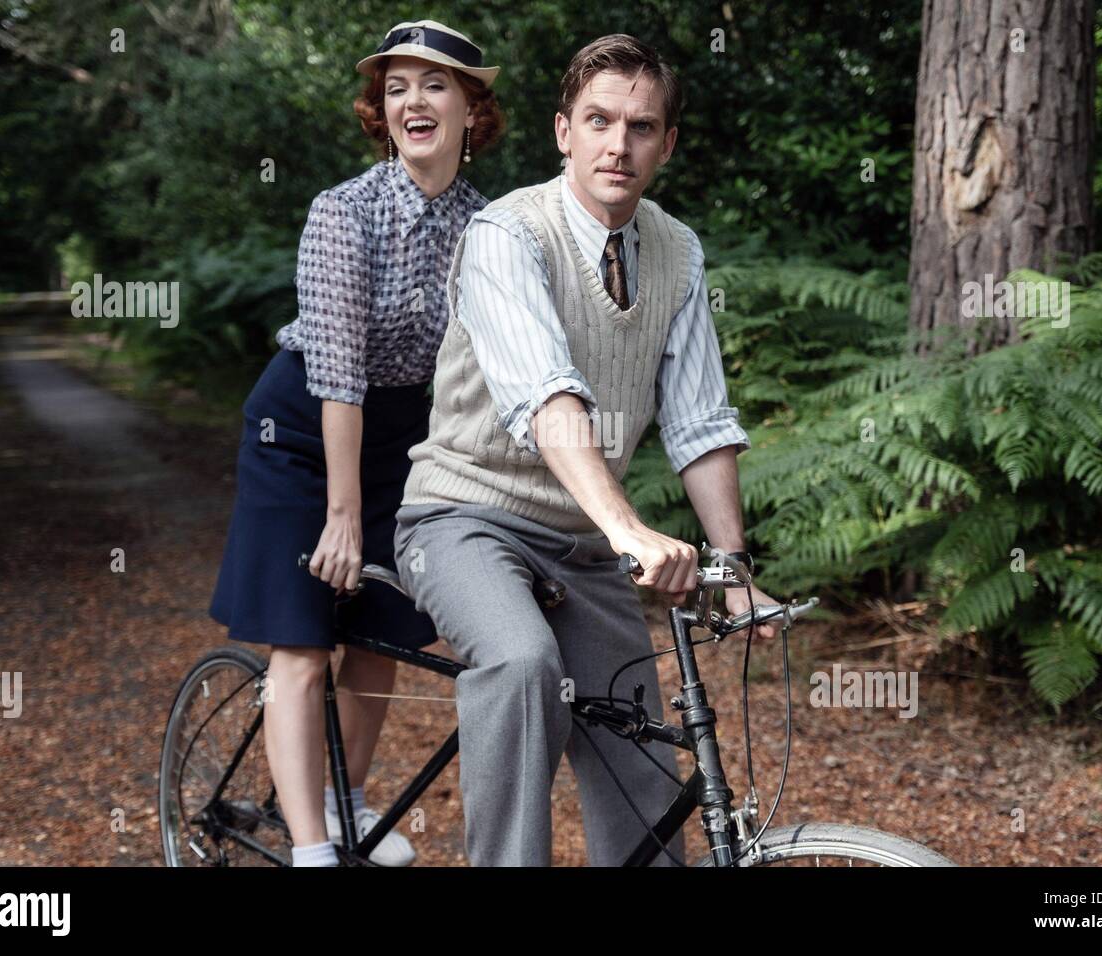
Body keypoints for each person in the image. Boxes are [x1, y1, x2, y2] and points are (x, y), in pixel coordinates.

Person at [393, 34, 783, 866]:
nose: (619, 143)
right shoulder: (508, 235)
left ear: (667, 145)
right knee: (524, 664)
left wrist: (734, 567)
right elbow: (548, 400)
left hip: (582, 542)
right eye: (599, 120)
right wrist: (631, 530)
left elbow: (701, 422)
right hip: (463, 518)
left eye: (642, 127)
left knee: (643, 765)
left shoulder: (677, 252)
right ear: (563, 130)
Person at [208, 19, 503, 867]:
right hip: (304, 429)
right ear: (381, 109)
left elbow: (485, 380)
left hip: (405, 435)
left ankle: (346, 803)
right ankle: (310, 851)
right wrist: (341, 517)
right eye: (395, 86)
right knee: (303, 642)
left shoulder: (491, 228)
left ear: (471, 109)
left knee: (385, 636)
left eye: (435, 83)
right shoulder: (342, 212)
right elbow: (339, 375)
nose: (412, 99)